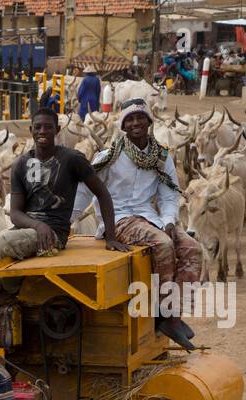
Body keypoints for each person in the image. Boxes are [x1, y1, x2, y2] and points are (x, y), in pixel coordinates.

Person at [71, 99, 201, 349]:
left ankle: (174, 315)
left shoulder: (161, 155)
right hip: (118, 218)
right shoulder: (108, 156)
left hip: (149, 217)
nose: (135, 123)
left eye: (140, 118)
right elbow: (86, 191)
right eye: (129, 120)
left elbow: (168, 195)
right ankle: (163, 316)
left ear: (149, 122)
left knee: (193, 249)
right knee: (162, 244)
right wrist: (65, 223)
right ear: (123, 126)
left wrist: (170, 220)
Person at [0, 109, 127, 300]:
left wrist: (111, 237)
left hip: (55, 234)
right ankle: (7, 291)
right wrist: (37, 225)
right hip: (28, 229)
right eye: (38, 127)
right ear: (31, 130)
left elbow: (103, 194)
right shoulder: (21, 164)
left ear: (57, 129)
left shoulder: (72, 159)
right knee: (0, 250)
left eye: (48, 127)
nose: (42, 131)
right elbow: (14, 213)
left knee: (3, 244)